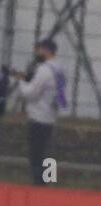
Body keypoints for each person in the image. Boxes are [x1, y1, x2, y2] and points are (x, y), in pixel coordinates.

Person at [11, 38, 68, 185]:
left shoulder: (44, 70)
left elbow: (31, 93)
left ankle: (40, 183)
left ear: (47, 51)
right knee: (46, 151)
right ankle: (49, 179)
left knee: (36, 153)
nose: (37, 52)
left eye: (40, 50)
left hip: (39, 115)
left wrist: (21, 81)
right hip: (51, 114)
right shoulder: (60, 69)